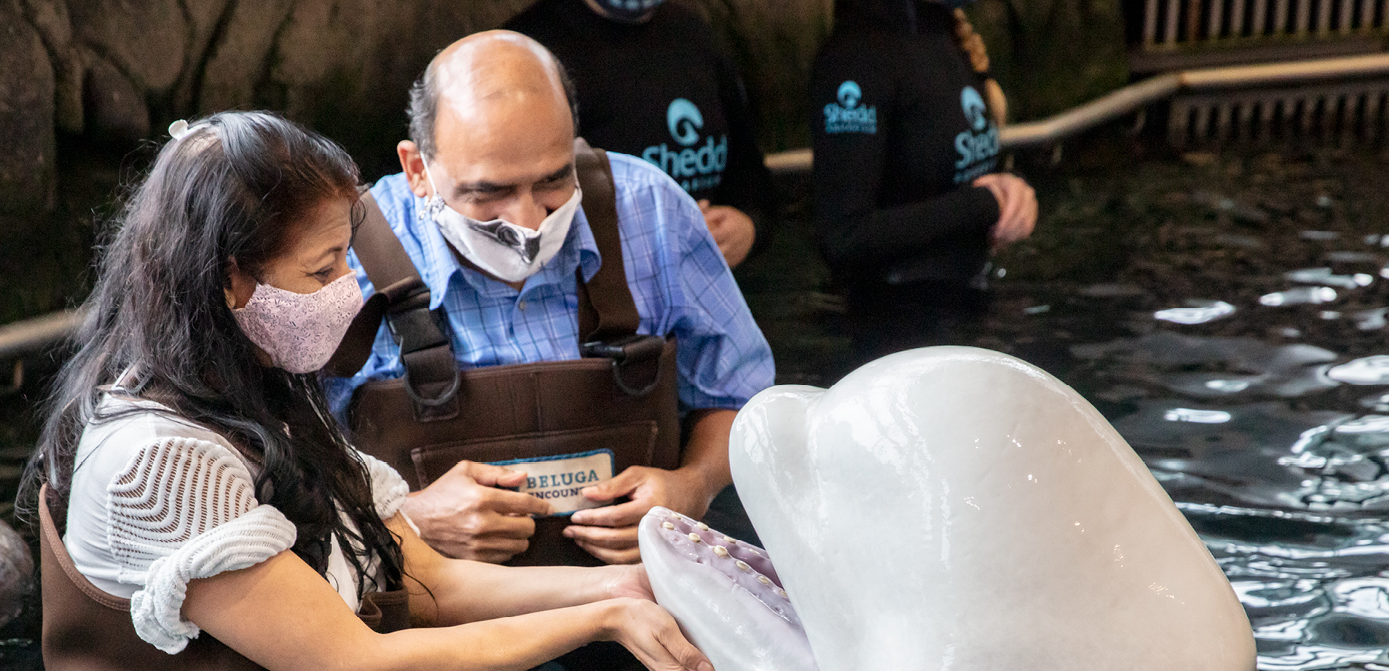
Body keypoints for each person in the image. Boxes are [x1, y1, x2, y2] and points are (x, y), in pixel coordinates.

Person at [17, 110, 735, 671]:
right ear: (233, 279)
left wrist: (626, 586)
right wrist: (601, 621)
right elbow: (359, 668)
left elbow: (429, 583)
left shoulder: (264, 396)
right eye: (323, 269)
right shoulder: (158, 458)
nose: (348, 288)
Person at [326, 31, 774, 567]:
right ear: (418, 169)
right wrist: (405, 518)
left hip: (637, 586)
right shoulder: (343, 255)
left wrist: (692, 485)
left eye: (553, 181)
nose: (528, 222)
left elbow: (740, 392)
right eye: (488, 193)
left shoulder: (650, 210)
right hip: (445, 619)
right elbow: (276, 462)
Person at [810, 0, 1037, 359]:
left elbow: (948, 177)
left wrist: (1011, 193)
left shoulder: (942, 33)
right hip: (893, 330)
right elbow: (843, 235)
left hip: (967, 303)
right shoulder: (857, 56)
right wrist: (983, 205)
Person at [504, 0, 775, 267]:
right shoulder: (525, 51)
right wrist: (642, 240)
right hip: (592, 293)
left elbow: (748, 170)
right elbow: (506, 204)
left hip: (702, 287)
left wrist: (748, 227)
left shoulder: (695, 34)